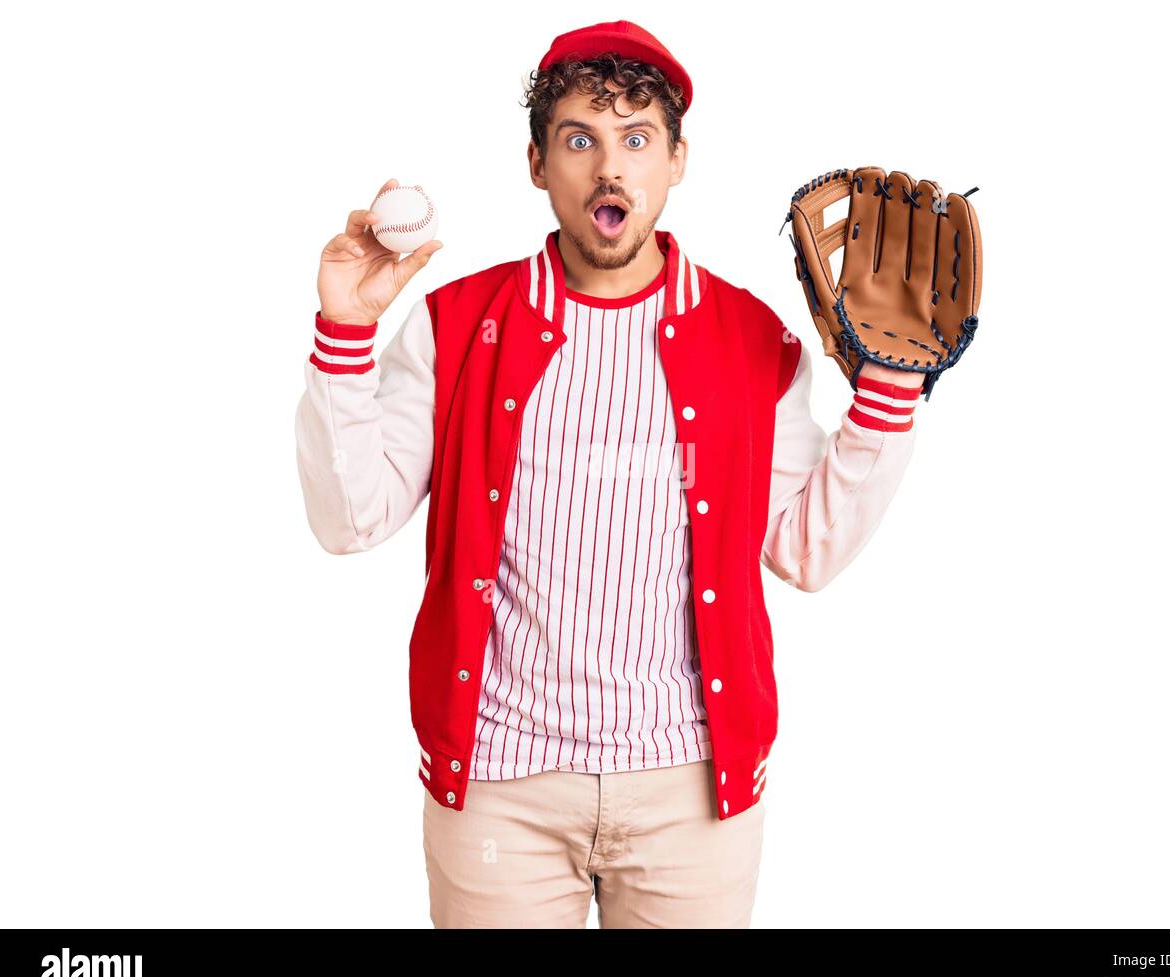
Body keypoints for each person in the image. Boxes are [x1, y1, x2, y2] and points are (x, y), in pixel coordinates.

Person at [294, 20, 924, 928]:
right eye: (580, 140)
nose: (610, 169)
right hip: (498, 787)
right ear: (537, 163)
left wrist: (887, 399)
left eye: (636, 139)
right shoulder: (454, 325)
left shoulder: (753, 341)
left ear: (677, 160)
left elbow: (804, 552)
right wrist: (347, 332)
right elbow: (349, 519)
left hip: (691, 793)